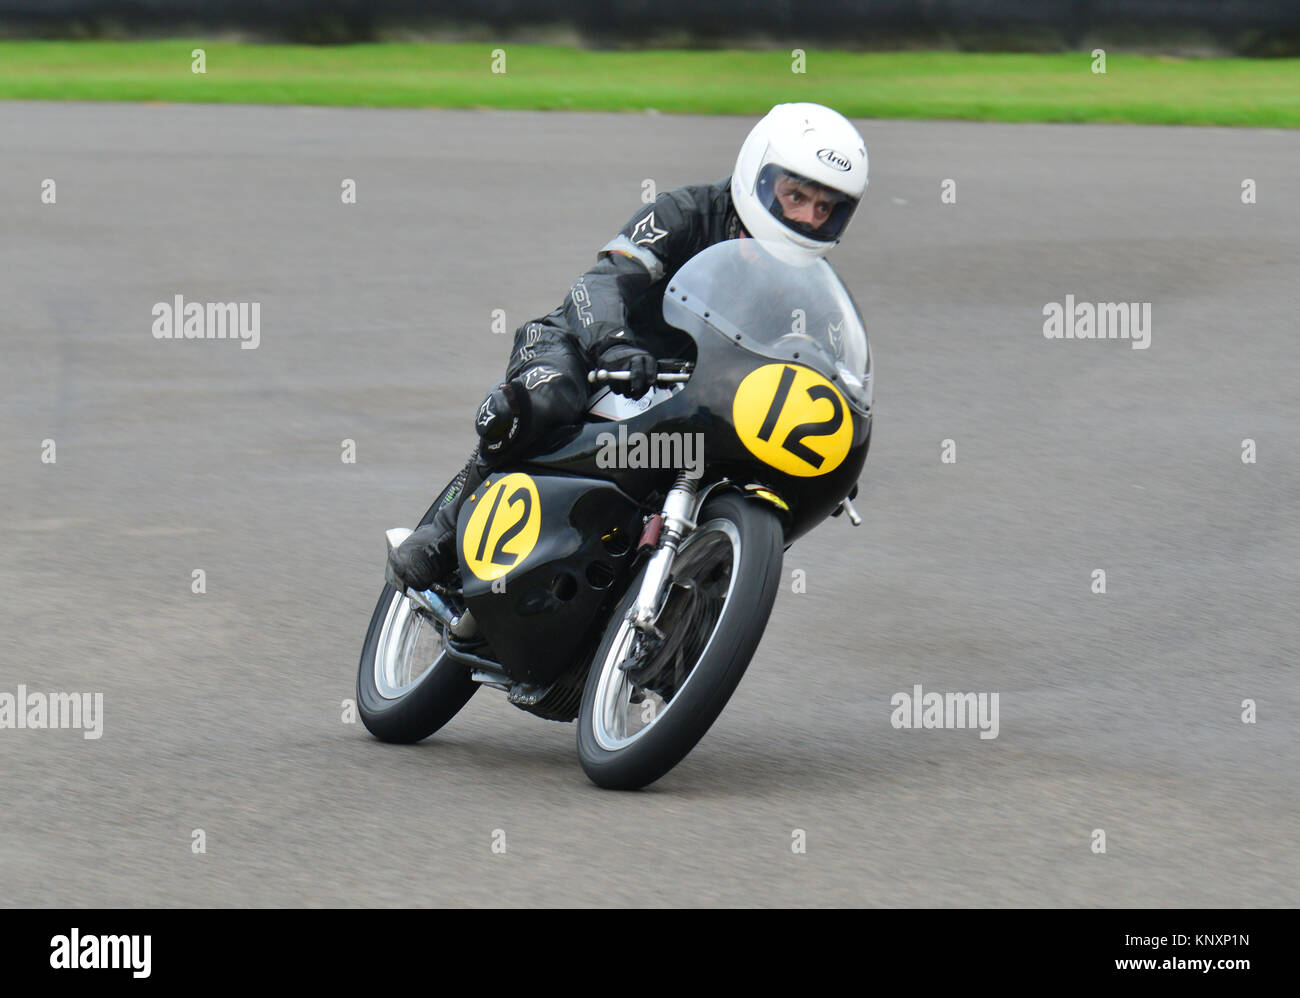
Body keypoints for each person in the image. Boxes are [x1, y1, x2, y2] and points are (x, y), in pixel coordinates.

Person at [386, 102, 869, 594]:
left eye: (826, 207)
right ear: (757, 176)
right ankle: (444, 531)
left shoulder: (812, 291)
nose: (808, 217)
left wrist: (828, 444)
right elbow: (601, 283)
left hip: (693, 403)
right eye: (795, 195)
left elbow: (822, 376)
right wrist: (615, 347)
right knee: (544, 401)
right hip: (590, 353)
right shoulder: (684, 213)